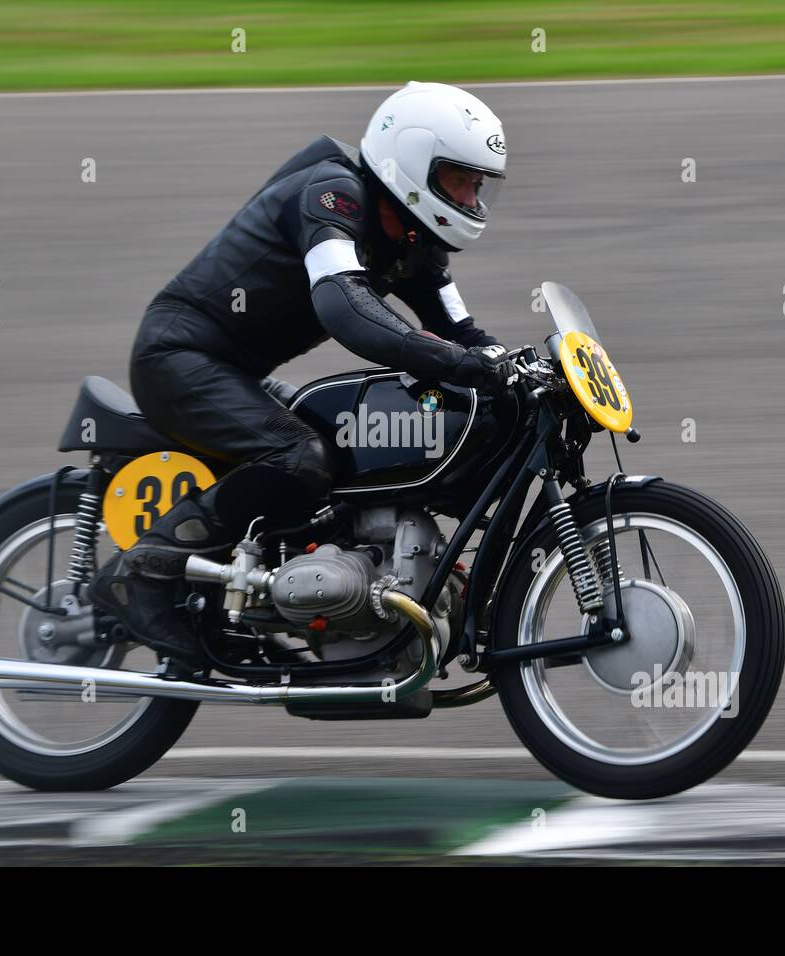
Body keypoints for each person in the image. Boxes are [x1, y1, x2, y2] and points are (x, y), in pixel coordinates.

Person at [90, 81, 514, 674]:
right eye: (461, 179)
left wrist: (518, 368)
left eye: (478, 184)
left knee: (341, 451)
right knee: (298, 457)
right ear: (415, 164)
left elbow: (465, 333)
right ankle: (143, 572)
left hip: (234, 373)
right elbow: (344, 305)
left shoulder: (414, 243)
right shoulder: (333, 197)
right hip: (177, 358)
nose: (471, 196)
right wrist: (453, 361)